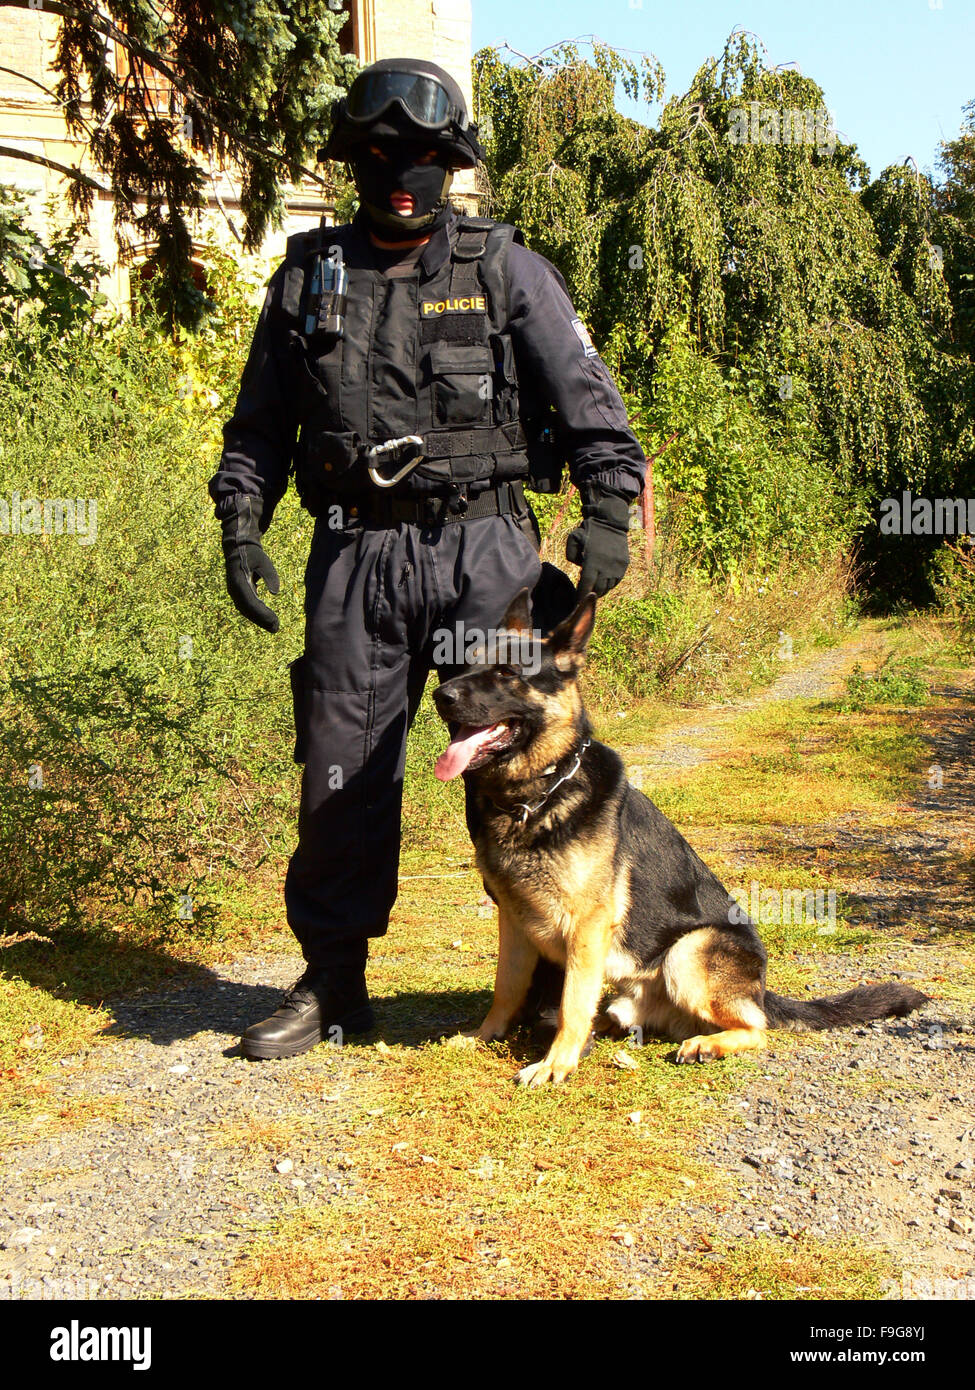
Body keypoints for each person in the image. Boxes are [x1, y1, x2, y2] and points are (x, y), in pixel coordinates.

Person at [209, 58, 647, 1059]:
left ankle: (546, 977)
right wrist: (243, 527)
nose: (400, 172)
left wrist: (608, 513)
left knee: (523, 766)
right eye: (379, 155)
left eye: (422, 156)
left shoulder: (505, 270)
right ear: (354, 160)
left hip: (482, 549)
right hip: (357, 555)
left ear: (451, 164)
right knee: (340, 770)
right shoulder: (306, 278)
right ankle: (332, 983)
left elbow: (590, 405)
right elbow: (257, 432)